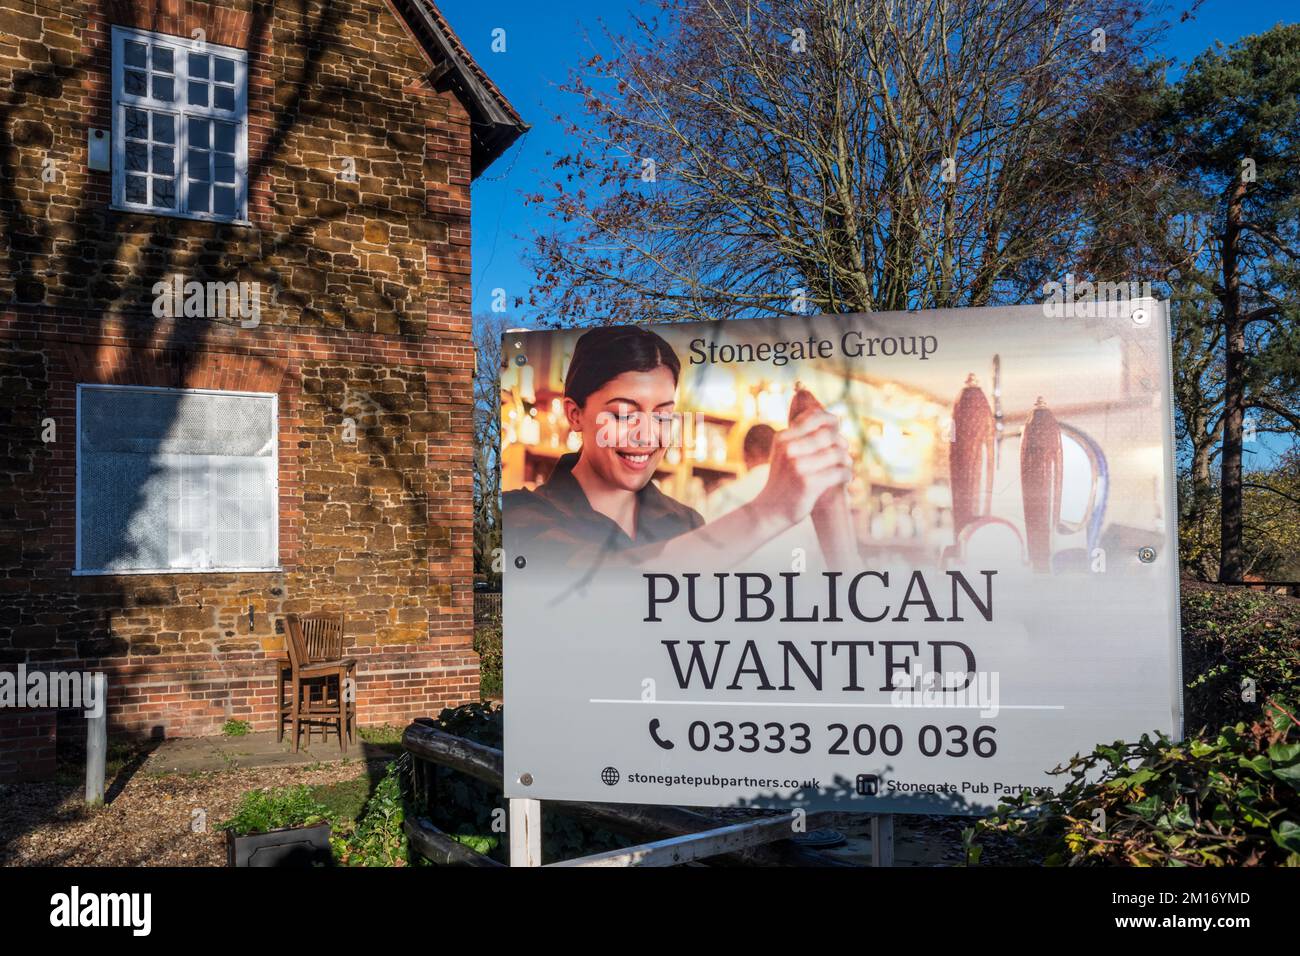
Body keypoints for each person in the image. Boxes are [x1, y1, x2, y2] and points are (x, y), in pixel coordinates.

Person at [504, 325, 851, 571]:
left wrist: (831, 504)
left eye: (663, 415)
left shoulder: (687, 521)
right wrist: (768, 511)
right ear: (575, 414)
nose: (647, 435)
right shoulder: (520, 517)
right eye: (624, 414)